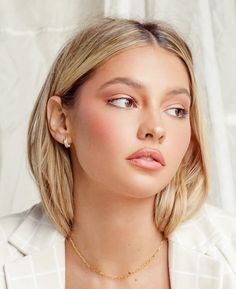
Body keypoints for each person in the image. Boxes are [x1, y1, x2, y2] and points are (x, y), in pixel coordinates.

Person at [0, 17, 235, 289]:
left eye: (176, 110)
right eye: (125, 101)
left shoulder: (228, 254)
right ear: (62, 121)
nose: (156, 128)